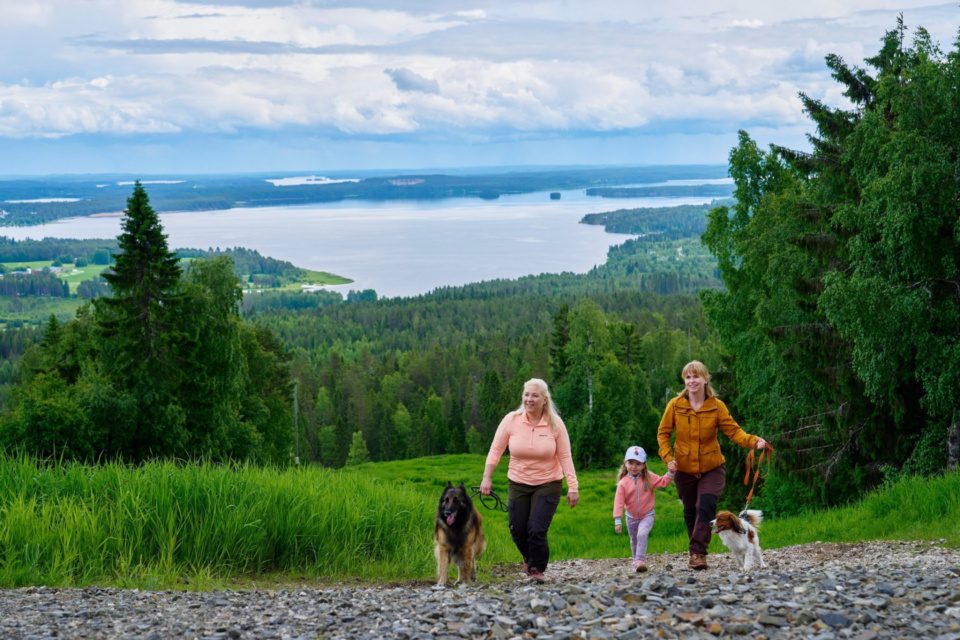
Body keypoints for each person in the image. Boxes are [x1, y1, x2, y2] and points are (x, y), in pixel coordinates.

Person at [656, 360, 766, 570]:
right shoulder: (675, 405)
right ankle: (695, 551)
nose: (692, 381)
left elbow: (734, 432)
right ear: (684, 381)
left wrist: (754, 441)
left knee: (705, 506)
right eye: (688, 377)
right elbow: (662, 434)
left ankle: (698, 554)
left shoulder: (716, 406)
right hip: (684, 469)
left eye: (696, 376)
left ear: (705, 379)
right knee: (690, 511)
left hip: (712, 467)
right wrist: (668, 457)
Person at [480, 378, 579, 582]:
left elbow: (565, 456)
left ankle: (536, 568)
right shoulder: (512, 420)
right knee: (517, 528)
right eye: (526, 394)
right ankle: (528, 556)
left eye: (535, 395)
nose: (529, 399)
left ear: (544, 399)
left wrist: (573, 486)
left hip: (548, 482)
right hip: (518, 482)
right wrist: (486, 477)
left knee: (536, 528)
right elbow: (495, 450)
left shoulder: (555, 423)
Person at [613, 445, 677, 572]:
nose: (634, 467)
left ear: (643, 465)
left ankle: (640, 560)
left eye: (638, 463)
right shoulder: (623, 483)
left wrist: (671, 472)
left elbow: (663, 482)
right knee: (634, 539)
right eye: (631, 463)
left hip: (647, 515)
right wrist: (617, 520)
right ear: (625, 463)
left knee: (642, 534)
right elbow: (618, 502)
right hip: (630, 517)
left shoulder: (648, 477)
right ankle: (636, 561)